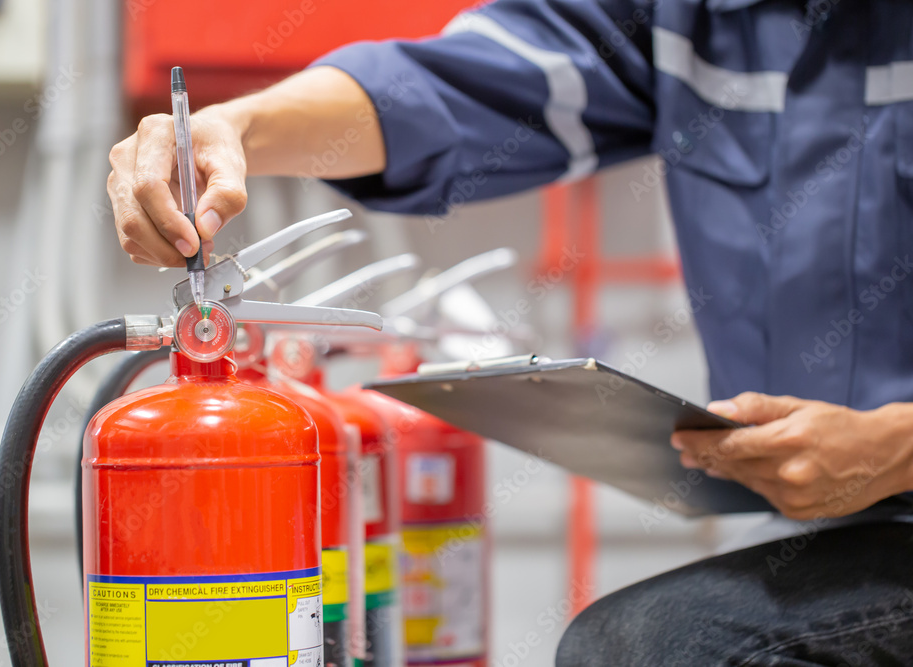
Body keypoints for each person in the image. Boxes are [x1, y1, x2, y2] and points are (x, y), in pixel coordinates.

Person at [107, 0, 913, 663]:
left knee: (657, 648)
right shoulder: (692, 16)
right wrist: (243, 129)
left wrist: (899, 445)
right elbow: (456, 91)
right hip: (826, 535)